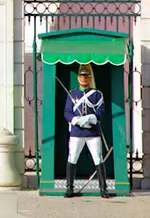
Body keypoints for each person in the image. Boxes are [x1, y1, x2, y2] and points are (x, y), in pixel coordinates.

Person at [63, 63, 108, 198]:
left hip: (92, 132)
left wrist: (90, 118)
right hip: (77, 132)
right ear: (78, 78)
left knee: (98, 158)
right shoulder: (73, 94)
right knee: (72, 158)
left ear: (90, 78)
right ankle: (69, 188)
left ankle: (103, 189)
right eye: (82, 76)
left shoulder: (97, 95)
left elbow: (101, 111)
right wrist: (76, 120)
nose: (84, 78)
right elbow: (67, 112)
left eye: (87, 76)